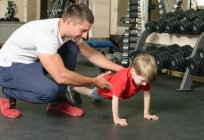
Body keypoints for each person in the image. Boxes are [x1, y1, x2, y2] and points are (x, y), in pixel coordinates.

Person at [0, 3, 124, 119]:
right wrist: (93, 82)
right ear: (69, 22)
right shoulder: (47, 35)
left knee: (71, 46)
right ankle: (7, 93)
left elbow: (91, 54)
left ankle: (57, 102)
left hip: (31, 62)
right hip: (8, 67)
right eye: (83, 30)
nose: (85, 36)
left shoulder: (67, 30)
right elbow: (62, 77)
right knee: (48, 92)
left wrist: (123, 69)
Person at [69, 53, 159, 126]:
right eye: (143, 81)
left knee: (96, 98)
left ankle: (93, 97)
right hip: (106, 89)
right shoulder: (123, 79)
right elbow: (115, 99)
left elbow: (147, 94)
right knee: (91, 93)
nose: (145, 84)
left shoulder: (143, 79)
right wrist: (116, 119)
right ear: (133, 72)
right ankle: (74, 88)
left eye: (147, 82)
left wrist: (146, 113)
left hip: (117, 91)